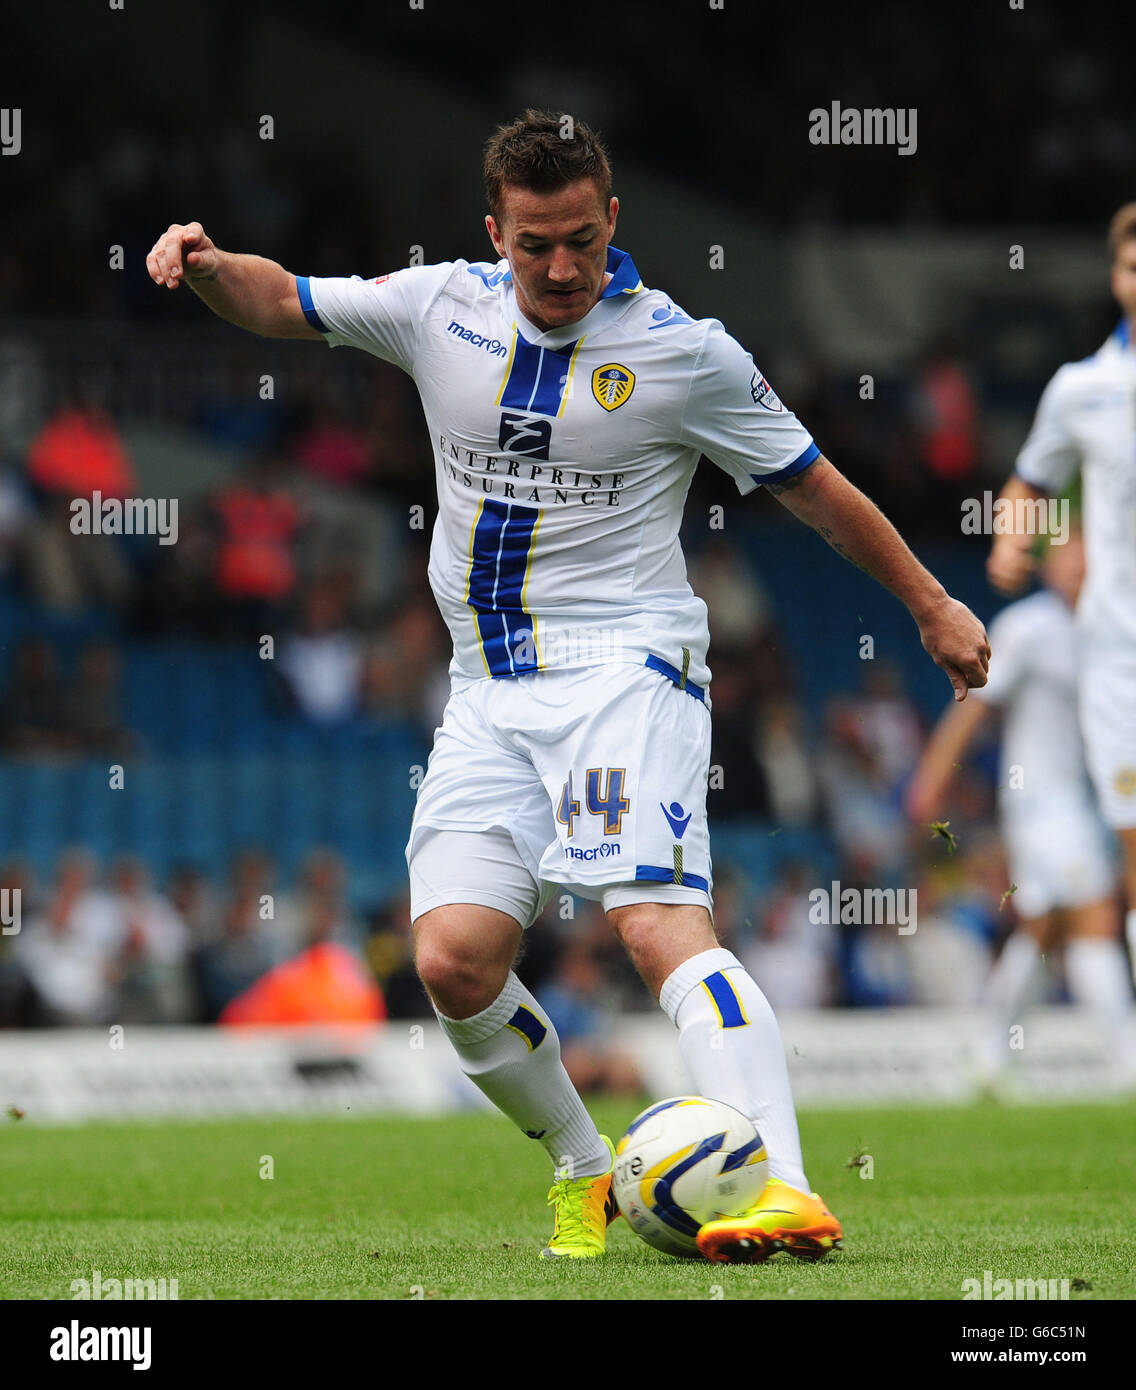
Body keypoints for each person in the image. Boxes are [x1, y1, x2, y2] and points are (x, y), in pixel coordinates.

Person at [147, 110, 989, 1263]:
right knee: (449, 959)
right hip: (486, 693)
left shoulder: (684, 353)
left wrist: (929, 604)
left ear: (611, 226)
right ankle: (584, 1165)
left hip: (625, 671)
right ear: (494, 230)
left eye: (581, 242)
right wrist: (200, 266)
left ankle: (784, 1184)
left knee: (651, 923)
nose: (558, 268)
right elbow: (280, 298)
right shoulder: (437, 306)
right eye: (534, 242)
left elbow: (813, 487)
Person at [908, 527, 1132, 1087]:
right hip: (1040, 803)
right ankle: (1130, 1056)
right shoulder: (1028, 627)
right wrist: (932, 779)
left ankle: (988, 1056)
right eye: (1072, 551)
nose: (1083, 562)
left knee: (1044, 931)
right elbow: (973, 710)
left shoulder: (1107, 629)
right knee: (1095, 916)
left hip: (1085, 804)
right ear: (1050, 564)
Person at [988, 203, 1136, 993]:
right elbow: (1030, 479)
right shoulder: (1084, 389)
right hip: (1120, 655)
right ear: (1115, 279)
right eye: (1132, 266)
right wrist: (1014, 537)